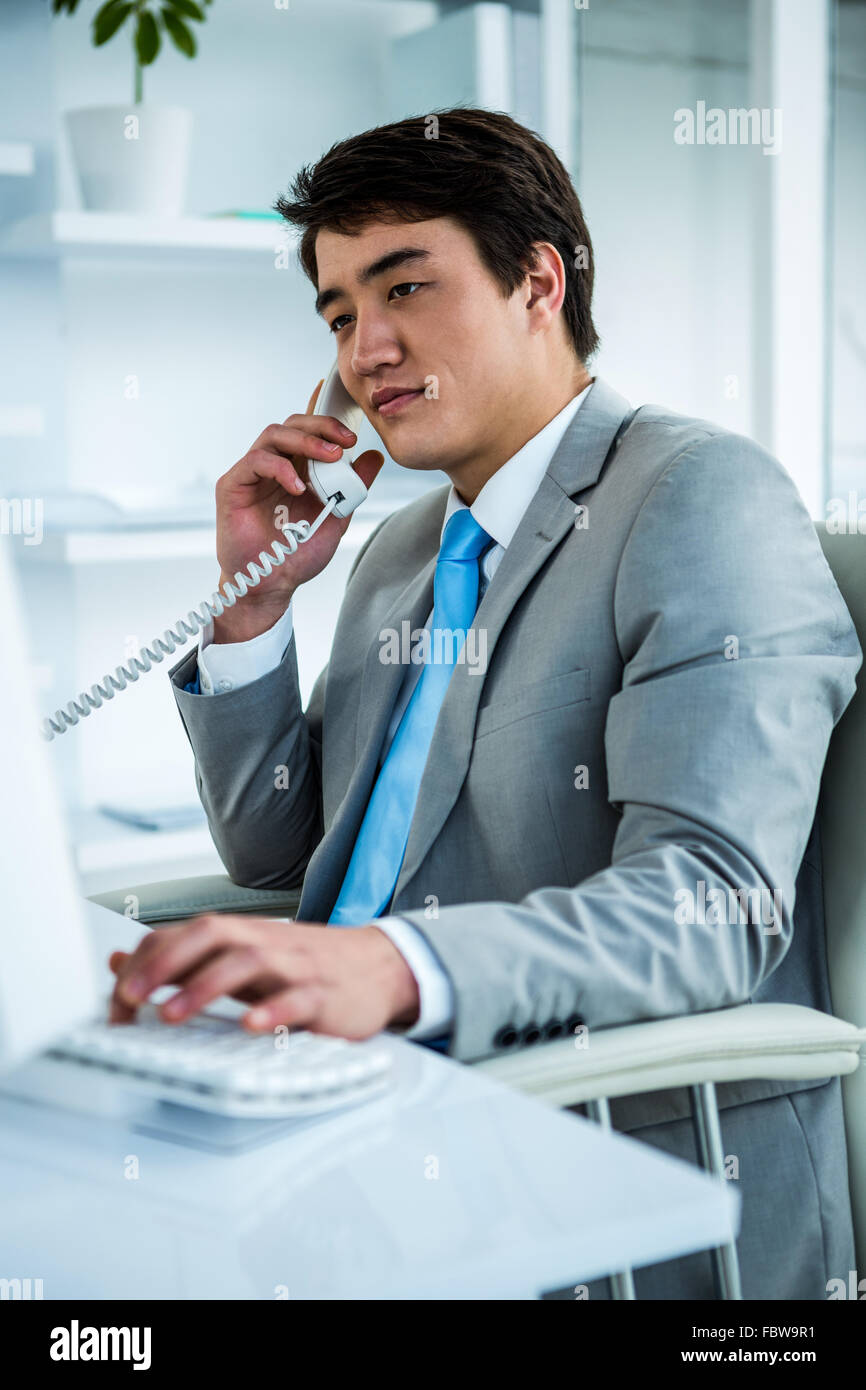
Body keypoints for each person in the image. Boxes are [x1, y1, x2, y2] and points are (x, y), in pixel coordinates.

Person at [109, 108, 861, 1299]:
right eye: (342, 314)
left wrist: (391, 969)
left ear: (536, 282)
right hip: (345, 1130)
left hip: (578, 1157)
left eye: (406, 287)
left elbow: (706, 906)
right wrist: (251, 604)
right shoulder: (400, 548)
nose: (367, 349)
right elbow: (277, 852)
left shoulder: (694, 495)